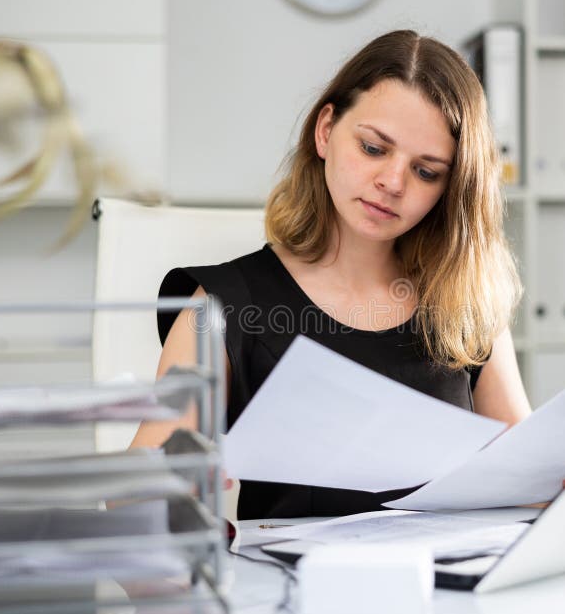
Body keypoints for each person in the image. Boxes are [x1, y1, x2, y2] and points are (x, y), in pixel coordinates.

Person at [131, 29, 531, 519]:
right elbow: (137, 486)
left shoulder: (466, 300)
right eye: (373, 148)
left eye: (426, 172)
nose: (392, 182)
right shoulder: (220, 304)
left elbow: (528, 476)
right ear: (325, 131)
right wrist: (175, 497)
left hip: (443, 588)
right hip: (293, 592)